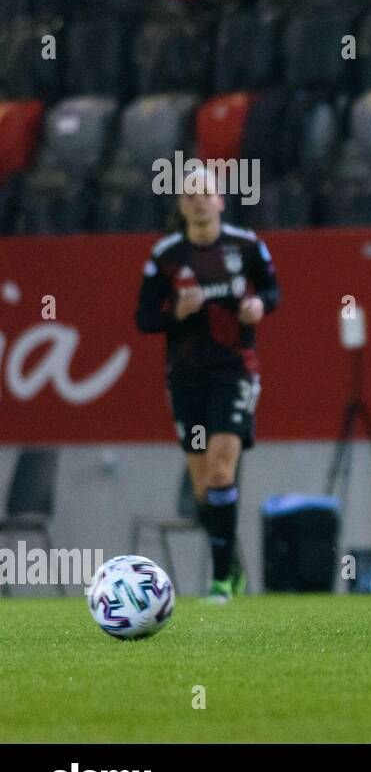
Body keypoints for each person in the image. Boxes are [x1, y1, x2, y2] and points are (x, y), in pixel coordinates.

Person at [135, 170, 279, 603]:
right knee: (203, 487)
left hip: (234, 370)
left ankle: (219, 581)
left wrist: (259, 305)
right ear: (181, 205)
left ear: (220, 201)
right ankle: (230, 564)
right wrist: (177, 313)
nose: (198, 201)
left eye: (205, 193)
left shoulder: (246, 245)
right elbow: (143, 319)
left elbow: (272, 289)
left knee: (221, 470)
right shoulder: (166, 255)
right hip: (186, 377)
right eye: (189, 195)